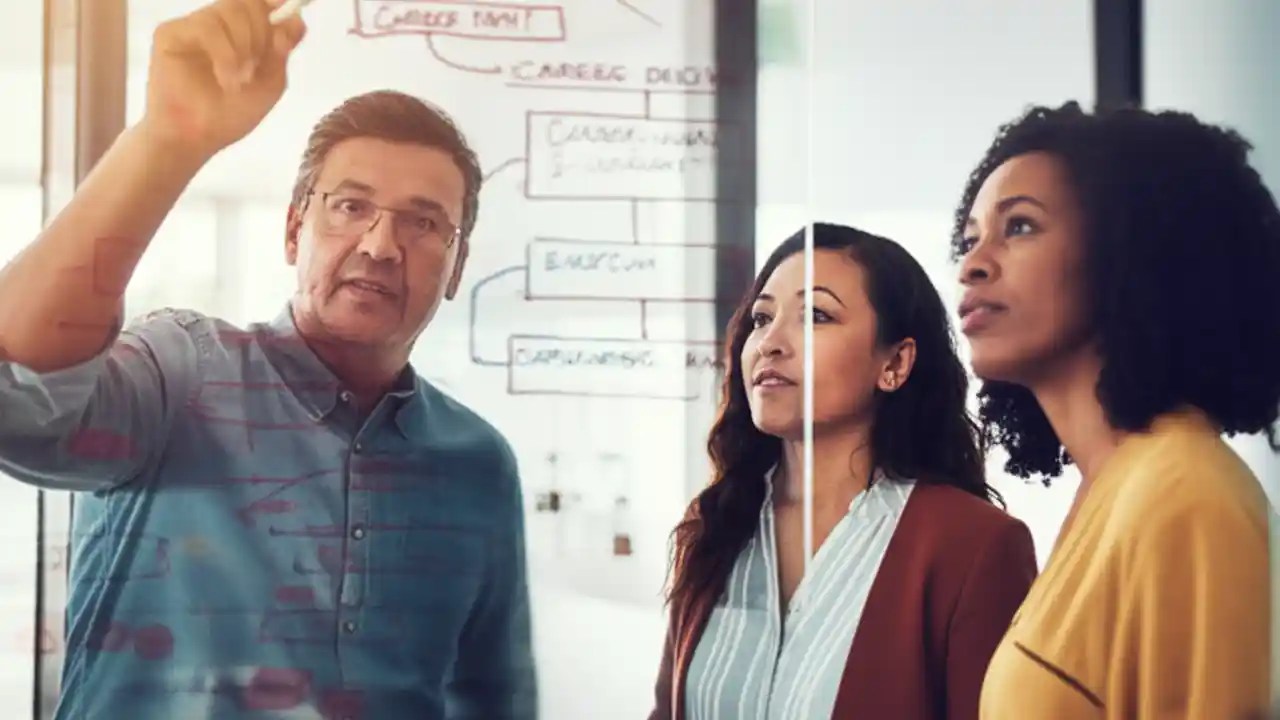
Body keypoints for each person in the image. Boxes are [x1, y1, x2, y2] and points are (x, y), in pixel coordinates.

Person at [0, 1, 536, 718]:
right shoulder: (182, 372)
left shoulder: (479, 461)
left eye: (423, 221)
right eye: (350, 206)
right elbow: (24, 397)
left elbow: (492, 695)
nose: (380, 244)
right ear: (293, 231)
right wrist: (168, 139)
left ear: (457, 264)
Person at [953, 102, 1280, 719]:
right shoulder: (1115, 489)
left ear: (1130, 251)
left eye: (1019, 226)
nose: (973, 263)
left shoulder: (1186, 497)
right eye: (970, 239)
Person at [649, 223, 1038, 720]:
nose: (770, 342)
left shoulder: (973, 546)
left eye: (815, 315)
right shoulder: (715, 527)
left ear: (895, 362)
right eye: (761, 317)